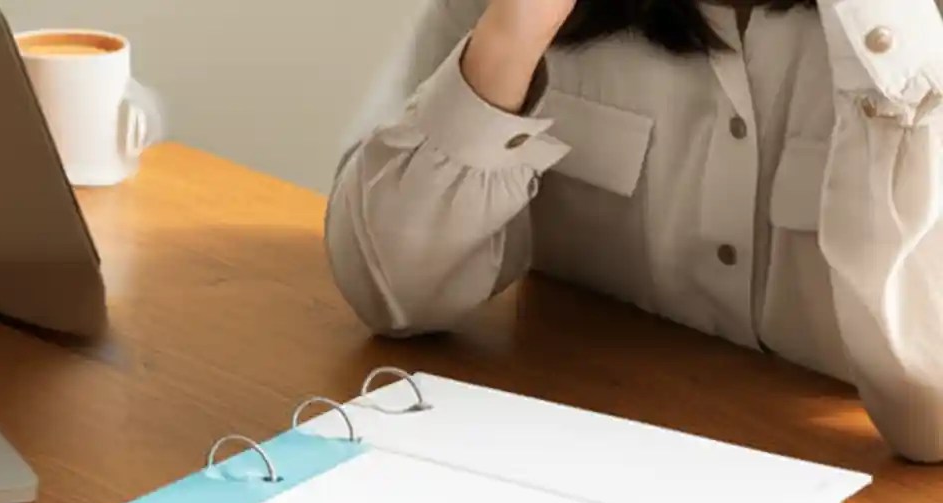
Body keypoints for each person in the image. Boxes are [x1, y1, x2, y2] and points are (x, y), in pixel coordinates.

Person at [325, 0, 943, 461]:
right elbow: (391, 292)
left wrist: (883, 31)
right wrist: (512, 36)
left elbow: (931, 419)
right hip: (551, 465)